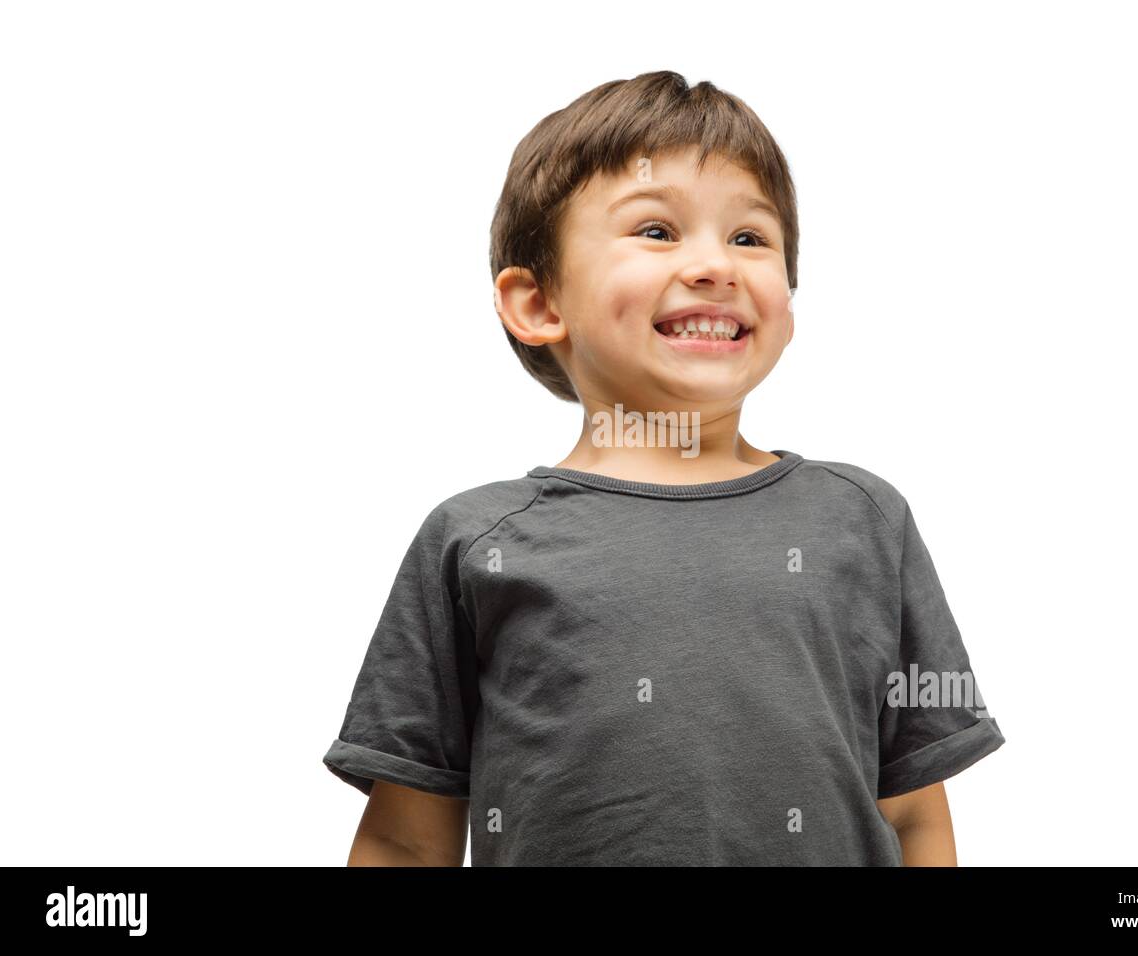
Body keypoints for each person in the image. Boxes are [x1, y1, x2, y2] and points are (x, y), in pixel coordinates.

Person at [322, 70, 1006, 866]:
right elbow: (408, 838)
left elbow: (916, 813)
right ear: (538, 304)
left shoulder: (865, 520)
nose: (717, 266)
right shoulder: (474, 542)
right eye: (656, 231)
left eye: (750, 238)